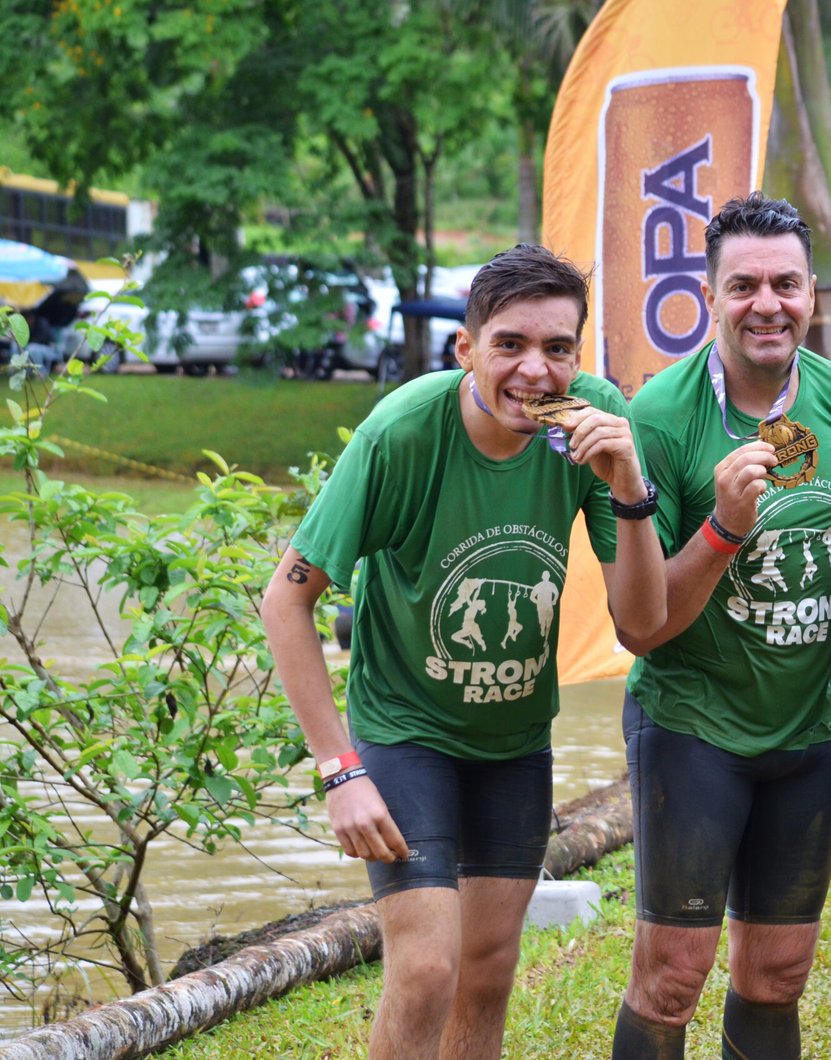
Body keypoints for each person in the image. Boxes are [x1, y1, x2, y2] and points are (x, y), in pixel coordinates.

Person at [261, 244, 666, 1060]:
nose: (536, 371)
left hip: (514, 744)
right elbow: (286, 600)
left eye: (558, 348)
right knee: (426, 970)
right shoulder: (404, 433)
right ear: (466, 350)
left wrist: (629, 487)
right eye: (510, 345)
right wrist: (339, 770)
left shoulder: (591, 425)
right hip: (408, 732)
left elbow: (643, 625)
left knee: (487, 972)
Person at [610, 192, 831, 1059]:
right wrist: (721, 527)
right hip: (694, 729)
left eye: (786, 284)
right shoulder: (659, 421)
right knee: (674, 976)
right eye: (745, 285)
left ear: (811, 293)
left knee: (777, 976)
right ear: (710, 295)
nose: (768, 304)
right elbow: (642, 628)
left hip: (803, 734)